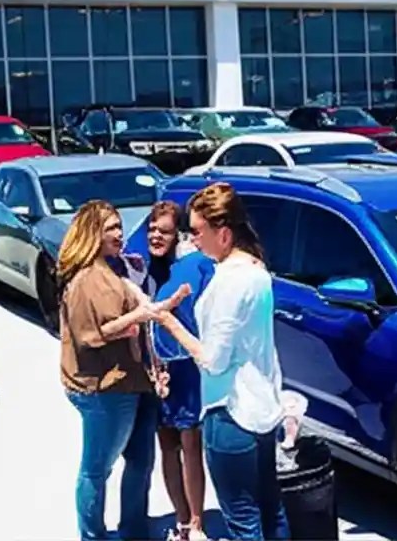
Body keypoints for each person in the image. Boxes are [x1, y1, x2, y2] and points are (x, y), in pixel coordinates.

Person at [152, 182, 289, 541]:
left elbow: (212, 359)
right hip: (262, 409)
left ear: (223, 233)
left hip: (230, 413)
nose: (192, 240)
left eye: (197, 232)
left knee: (243, 522)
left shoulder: (230, 281)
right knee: (271, 511)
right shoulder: (258, 271)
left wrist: (168, 321)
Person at [56, 199, 187, 541]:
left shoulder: (113, 269)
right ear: (92, 234)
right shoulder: (85, 279)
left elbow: (137, 315)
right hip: (103, 388)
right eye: (111, 228)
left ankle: (134, 530)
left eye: (119, 226)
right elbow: (88, 336)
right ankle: (93, 535)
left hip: (135, 381)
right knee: (96, 470)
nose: (120, 233)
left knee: (142, 461)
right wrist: (138, 318)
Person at [146, 200, 213, 541]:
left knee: (190, 445)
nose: (156, 236)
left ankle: (198, 522)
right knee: (166, 445)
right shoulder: (143, 268)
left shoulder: (195, 265)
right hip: (155, 368)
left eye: (165, 231)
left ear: (180, 235)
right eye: (152, 229)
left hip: (186, 368)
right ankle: (182, 522)